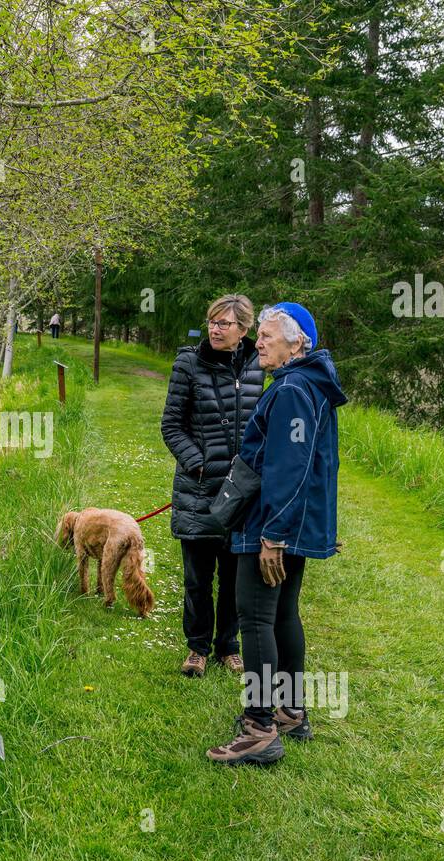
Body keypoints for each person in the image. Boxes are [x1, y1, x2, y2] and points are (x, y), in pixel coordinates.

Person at [206, 302, 346, 766]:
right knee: (284, 613)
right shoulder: (308, 384)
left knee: (256, 618)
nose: (258, 342)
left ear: (296, 342)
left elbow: (288, 470)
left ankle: (259, 728)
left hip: (272, 523)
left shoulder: (291, 390)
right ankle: (289, 710)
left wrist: (274, 537)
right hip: (290, 523)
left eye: (267, 336)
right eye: (259, 335)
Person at [161, 294, 264, 678]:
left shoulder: (257, 364)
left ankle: (228, 646)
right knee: (198, 578)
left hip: (242, 491)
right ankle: (197, 648)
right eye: (212, 322)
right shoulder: (189, 363)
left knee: (236, 575)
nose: (216, 329)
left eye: (225, 324)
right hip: (199, 489)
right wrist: (197, 463)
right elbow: (171, 424)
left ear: (244, 329)